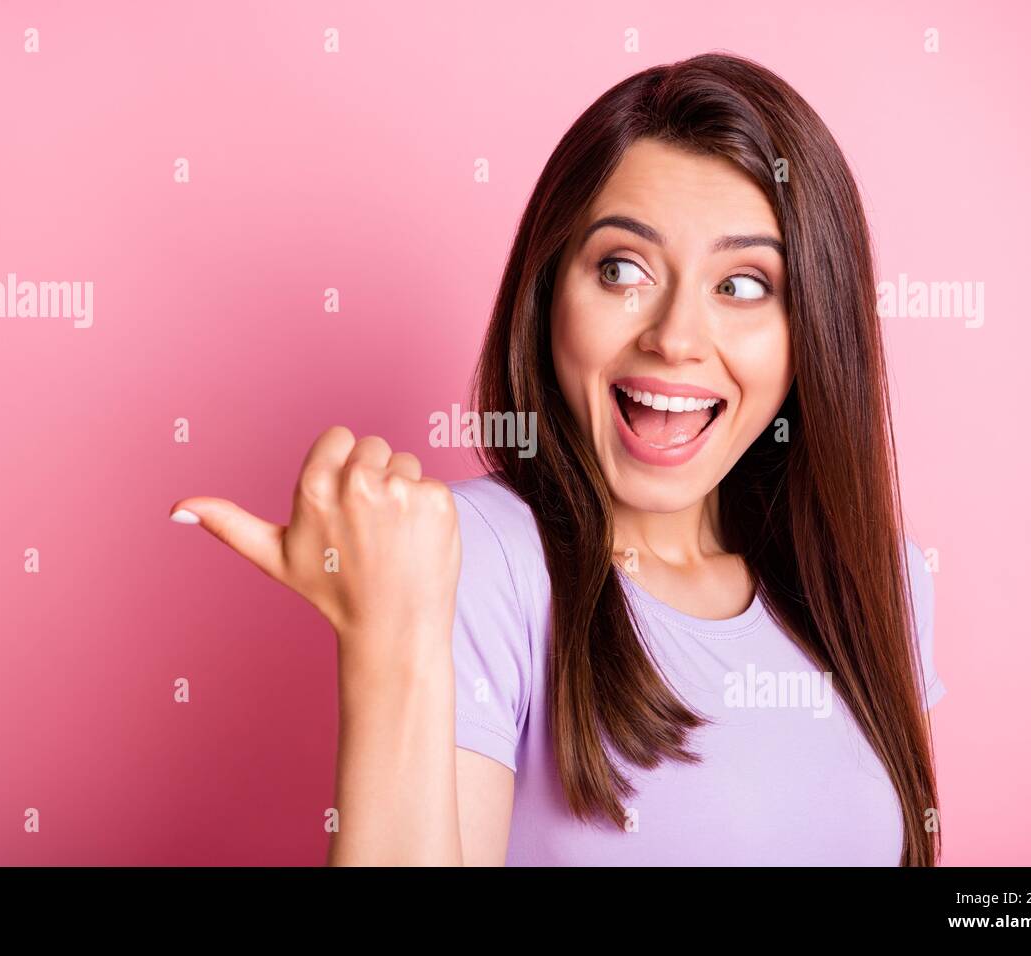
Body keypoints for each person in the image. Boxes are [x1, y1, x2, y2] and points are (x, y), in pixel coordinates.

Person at [168, 52, 946, 866]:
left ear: (813, 330)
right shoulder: (475, 557)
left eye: (744, 284)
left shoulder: (882, 582)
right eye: (622, 269)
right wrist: (390, 636)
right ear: (549, 295)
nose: (675, 336)